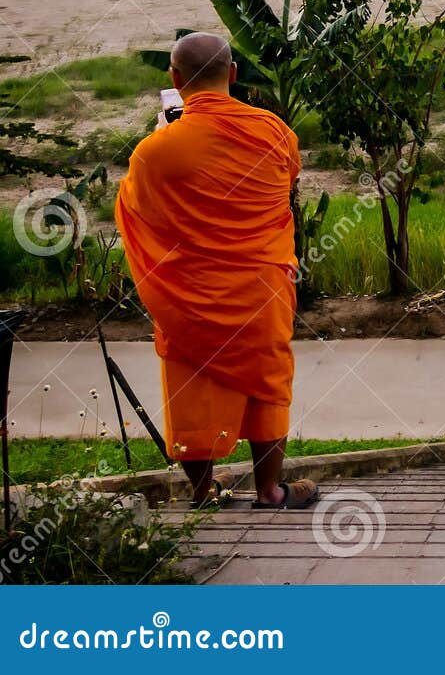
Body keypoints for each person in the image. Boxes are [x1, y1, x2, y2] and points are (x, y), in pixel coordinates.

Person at [114, 32, 318, 511]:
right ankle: (270, 490)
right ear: (232, 74)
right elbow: (286, 181)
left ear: (175, 79)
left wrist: (167, 136)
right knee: (267, 382)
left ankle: (203, 493)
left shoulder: (155, 151)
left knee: (192, 382)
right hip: (261, 283)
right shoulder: (275, 131)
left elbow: (133, 207)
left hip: (189, 290)